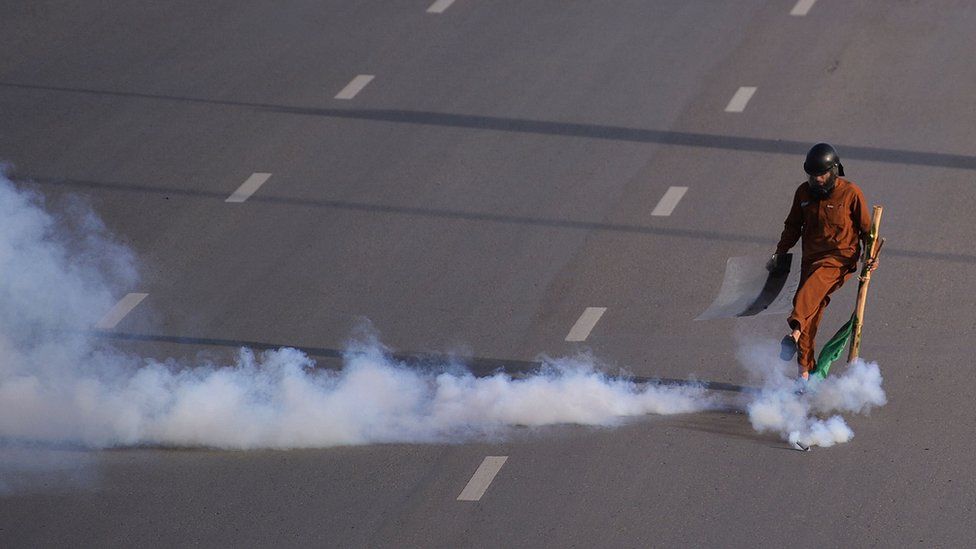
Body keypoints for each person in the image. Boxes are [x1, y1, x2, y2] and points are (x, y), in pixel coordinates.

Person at [768, 143, 878, 381]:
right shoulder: (803, 194)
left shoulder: (850, 193)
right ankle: (804, 373)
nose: (817, 179)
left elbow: (868, 230)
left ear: (834, 170)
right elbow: (792, 226)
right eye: (812, 175)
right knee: (813, 311)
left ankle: (794, 332)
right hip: (811, 259)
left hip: (839, 259)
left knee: (806, 294)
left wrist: (871, 255)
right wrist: (780, 252)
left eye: (822, 174)